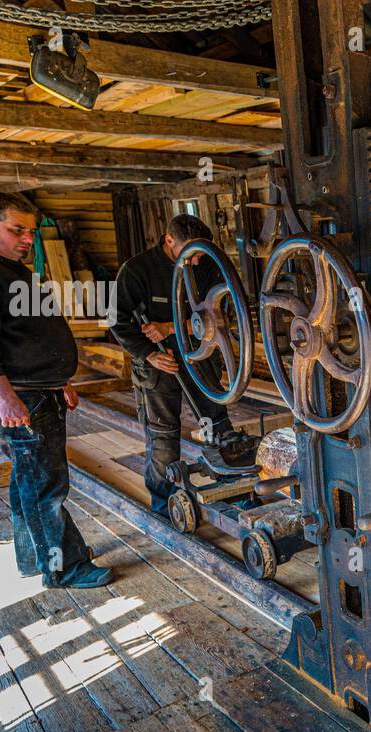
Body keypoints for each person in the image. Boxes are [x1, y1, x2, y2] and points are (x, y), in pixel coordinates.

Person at [0, 191, 112, 588]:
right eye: (16, 230)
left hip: (41, 390)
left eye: (31, 232)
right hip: (22, 396)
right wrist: (6, 397)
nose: (27, 239)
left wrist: (60, 381)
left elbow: (31, 336)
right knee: (46, 486)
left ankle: (34, 555)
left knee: (29, 477)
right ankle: (63, 568)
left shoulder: (13, 270)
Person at [109, 214, 236, 516]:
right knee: (163, 435)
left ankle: (233, 486)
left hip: (200, 357)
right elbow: (117, 320)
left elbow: (221, 314)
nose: (194, 262)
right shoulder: (137, 270)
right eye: (189, 253)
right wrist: (147, 354)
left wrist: (170, 327)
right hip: (158, 364)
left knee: (217, 423)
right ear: (169, 241)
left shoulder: (206, 266)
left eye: (199, 254)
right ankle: (164, 504)